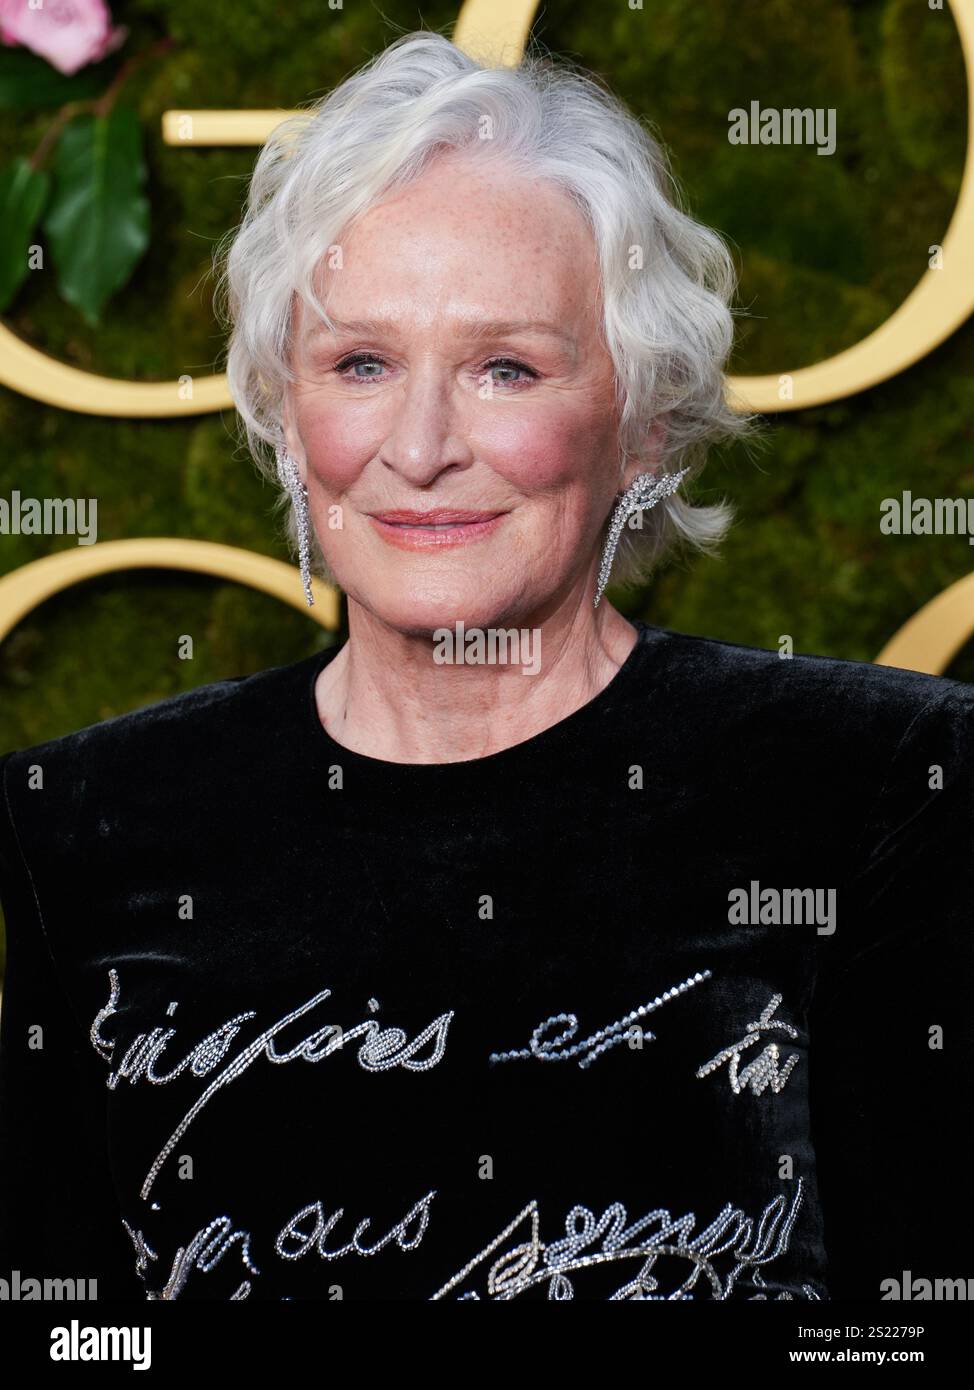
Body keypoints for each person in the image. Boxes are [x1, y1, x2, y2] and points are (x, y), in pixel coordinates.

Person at [0, 29, 971, 1302]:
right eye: (360, 365)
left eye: (504, 368)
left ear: (641, 427)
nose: (417, 447)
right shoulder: (80, 822)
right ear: (287, 421)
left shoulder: (879, 784)